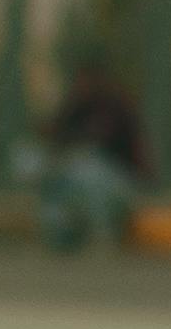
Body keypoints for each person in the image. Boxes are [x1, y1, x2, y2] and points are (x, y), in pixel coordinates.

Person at [31, 61, 150, 253]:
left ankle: (102, 234)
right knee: (43, 169)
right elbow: (50, 134)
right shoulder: (76, 106)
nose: (82, 85)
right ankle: (61, 233)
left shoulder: (114, 105)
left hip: (121, 184)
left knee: (86, 169)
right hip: (85, 180)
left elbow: (94, 141)